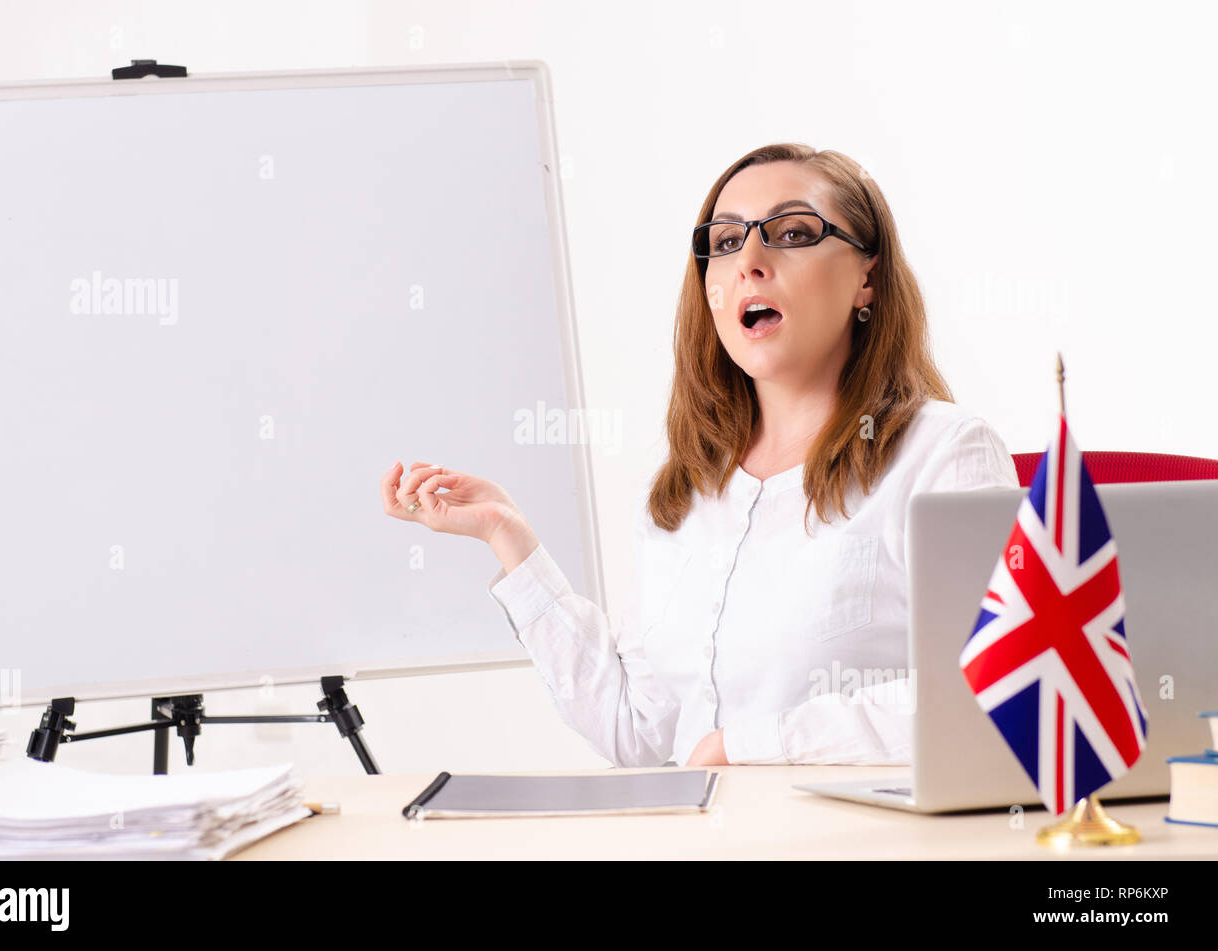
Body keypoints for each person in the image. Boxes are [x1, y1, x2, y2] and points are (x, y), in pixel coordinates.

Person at [379, 143, 1019, 768]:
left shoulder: (944, 453)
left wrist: (749, 747)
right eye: (725, 241)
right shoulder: (686, 490)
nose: (750, 260)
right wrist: (509, 539)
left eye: (792, 233)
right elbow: (639, 735)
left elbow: (997, 691)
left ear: (866, 277)